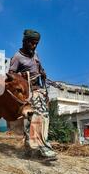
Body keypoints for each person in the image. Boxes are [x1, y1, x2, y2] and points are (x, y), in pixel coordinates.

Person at [9, 29, 57, 161]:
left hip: (40, 90)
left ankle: (30, 148)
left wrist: (42, 73)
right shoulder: (17, 57)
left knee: (44, 118)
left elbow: (39, 68)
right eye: (31, 43)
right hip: (28, 93)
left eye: (36, 43)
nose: (34, 46)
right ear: (24, 42)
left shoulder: (35, 54)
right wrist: (22, 76)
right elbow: (10, 76)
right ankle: (42, 148)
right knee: (37, 117)